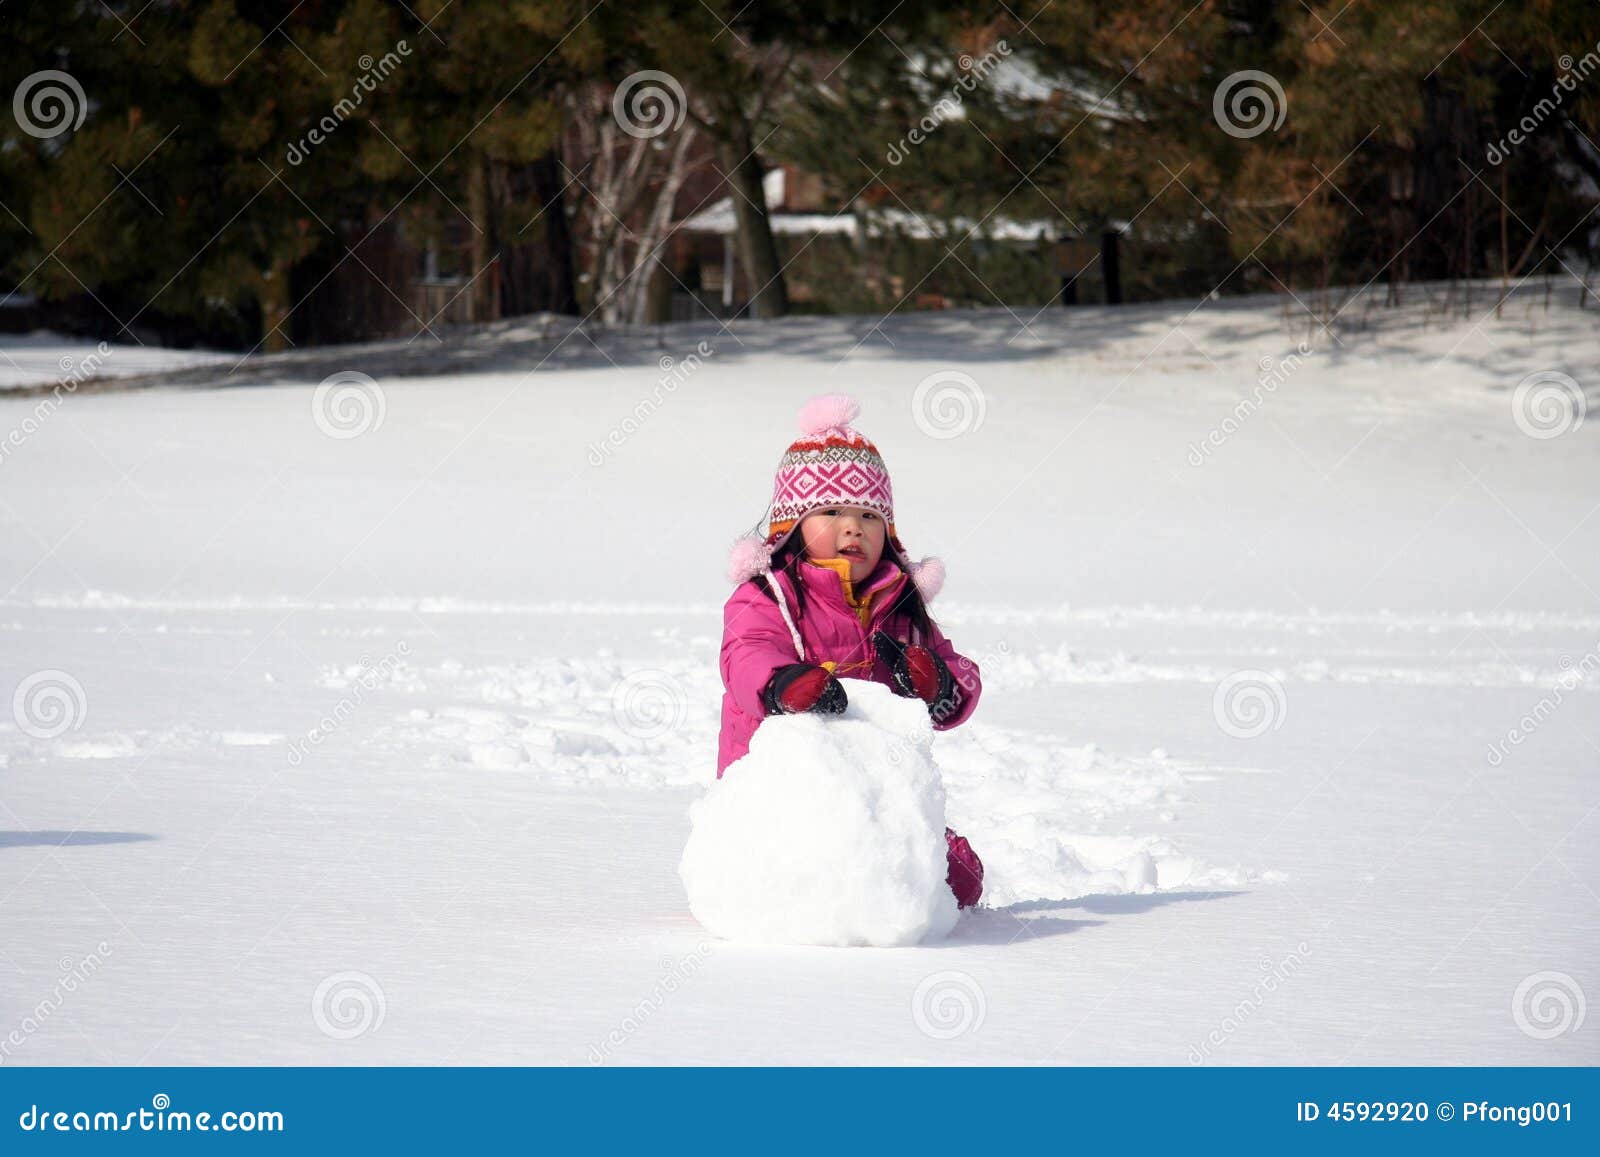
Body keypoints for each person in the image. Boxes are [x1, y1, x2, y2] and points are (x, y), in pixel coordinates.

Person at [717, 393, 986, 908]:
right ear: (793, 525)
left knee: (957, 880)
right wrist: (783, 685)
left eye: (869, 515)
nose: (853, 527)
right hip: (782, 785)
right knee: (805, 874)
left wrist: (938, 683)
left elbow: (961, 672)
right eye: (832, 511)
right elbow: (745, 654)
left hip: (877, 786)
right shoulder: (769, 597)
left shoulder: (900, 604)